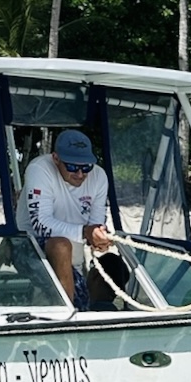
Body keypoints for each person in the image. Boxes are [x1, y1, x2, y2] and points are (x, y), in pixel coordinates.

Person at [21, 128, 127, 309]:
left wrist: (99, 238)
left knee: (114, 264)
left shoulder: (99, 176)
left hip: (76, 256)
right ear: (56, 158)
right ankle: (68, 316)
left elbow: (95, 224)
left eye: (86, 167)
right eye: (72, 167)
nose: (80, 174)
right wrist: (86, 233)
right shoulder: (39, 169)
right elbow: (40, 224)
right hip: (30, 248)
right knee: (61, 245)